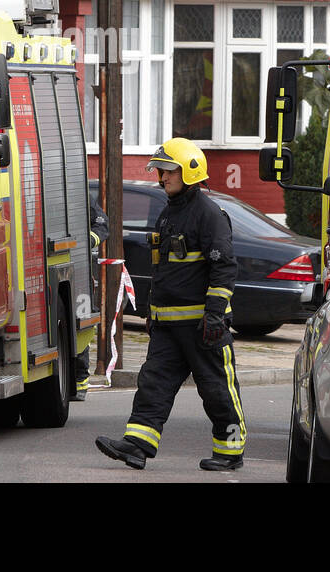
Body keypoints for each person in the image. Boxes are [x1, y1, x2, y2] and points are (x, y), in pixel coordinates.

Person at [95, 138, 247, 472]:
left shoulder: (209, 215)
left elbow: (224, 267)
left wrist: (214, 315)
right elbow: (163, 269)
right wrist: (152, 312)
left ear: (189, 172)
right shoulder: (169, 213)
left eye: (167, 171)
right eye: (160, 172)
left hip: (202, 328)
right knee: (153, 384)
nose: (161, 178)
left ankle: (230, 449)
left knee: (217, 389)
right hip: (167, 326)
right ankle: (137, 445)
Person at [72, 196, 111, 401]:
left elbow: (102, 225)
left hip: (81, 274)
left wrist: (87, 240)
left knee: (82, 326)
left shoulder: (82, 197)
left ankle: (80, 382)